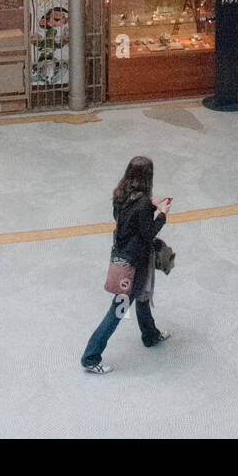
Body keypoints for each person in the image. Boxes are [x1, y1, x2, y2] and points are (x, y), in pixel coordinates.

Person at [81, 155, 172, 373]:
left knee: (142, 296)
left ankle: (150, 334)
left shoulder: (121, 195)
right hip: (136, 263)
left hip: (123, 258)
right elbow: (147, 232)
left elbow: (126, 219)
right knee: (120, 308)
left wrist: (149, 207)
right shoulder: (141, 204)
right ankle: (90, 357)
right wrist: (162, 215)